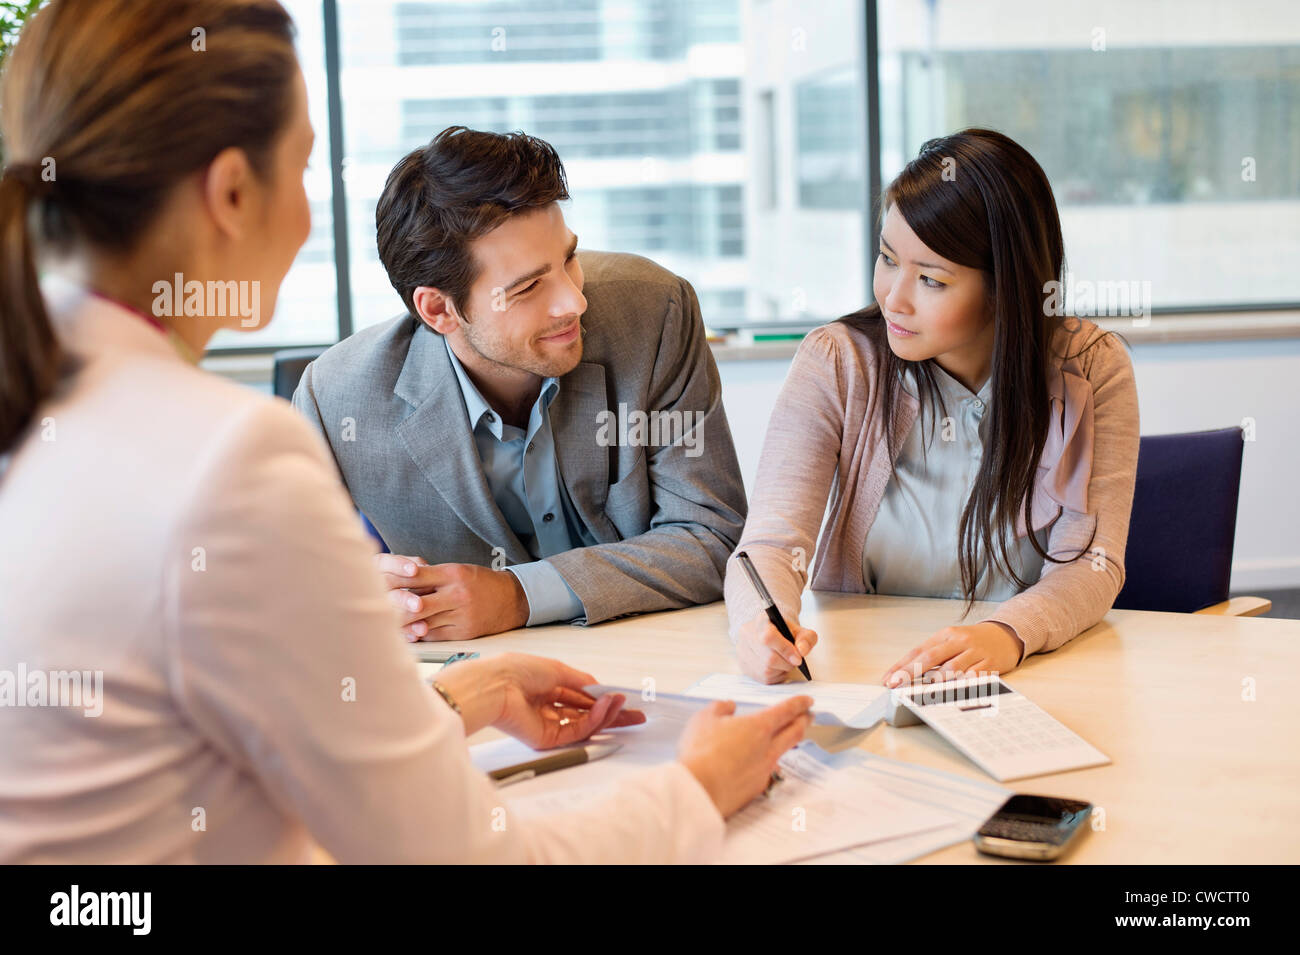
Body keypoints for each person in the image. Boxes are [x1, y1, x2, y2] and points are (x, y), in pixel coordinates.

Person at [0, 0, 811, 864]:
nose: (572, 300)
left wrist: (476, 686)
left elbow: (271, 736)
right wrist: (697, 791)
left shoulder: (48, 406)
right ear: (234, 191)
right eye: (306, 164)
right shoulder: (230, 454)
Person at [291, 127, 748, 641]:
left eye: (569, 259)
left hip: (656, 656)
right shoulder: (336, 398)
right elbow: (288, 588)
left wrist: (517, 595)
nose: (574, 302)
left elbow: (712, 536)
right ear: (439, 309)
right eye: (529, 286)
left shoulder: (654, 315)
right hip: (474, 688)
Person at [725, 129, 1140, 686]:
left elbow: (1093, 563)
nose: (893, 297)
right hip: (863, 667)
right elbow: (773, 543)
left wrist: (1007, 634)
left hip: (1026, 671)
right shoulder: (838, 361)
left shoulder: (1089, 367)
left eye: (930, 279)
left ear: (1006, 288)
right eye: (887, 259)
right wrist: (760, 623)